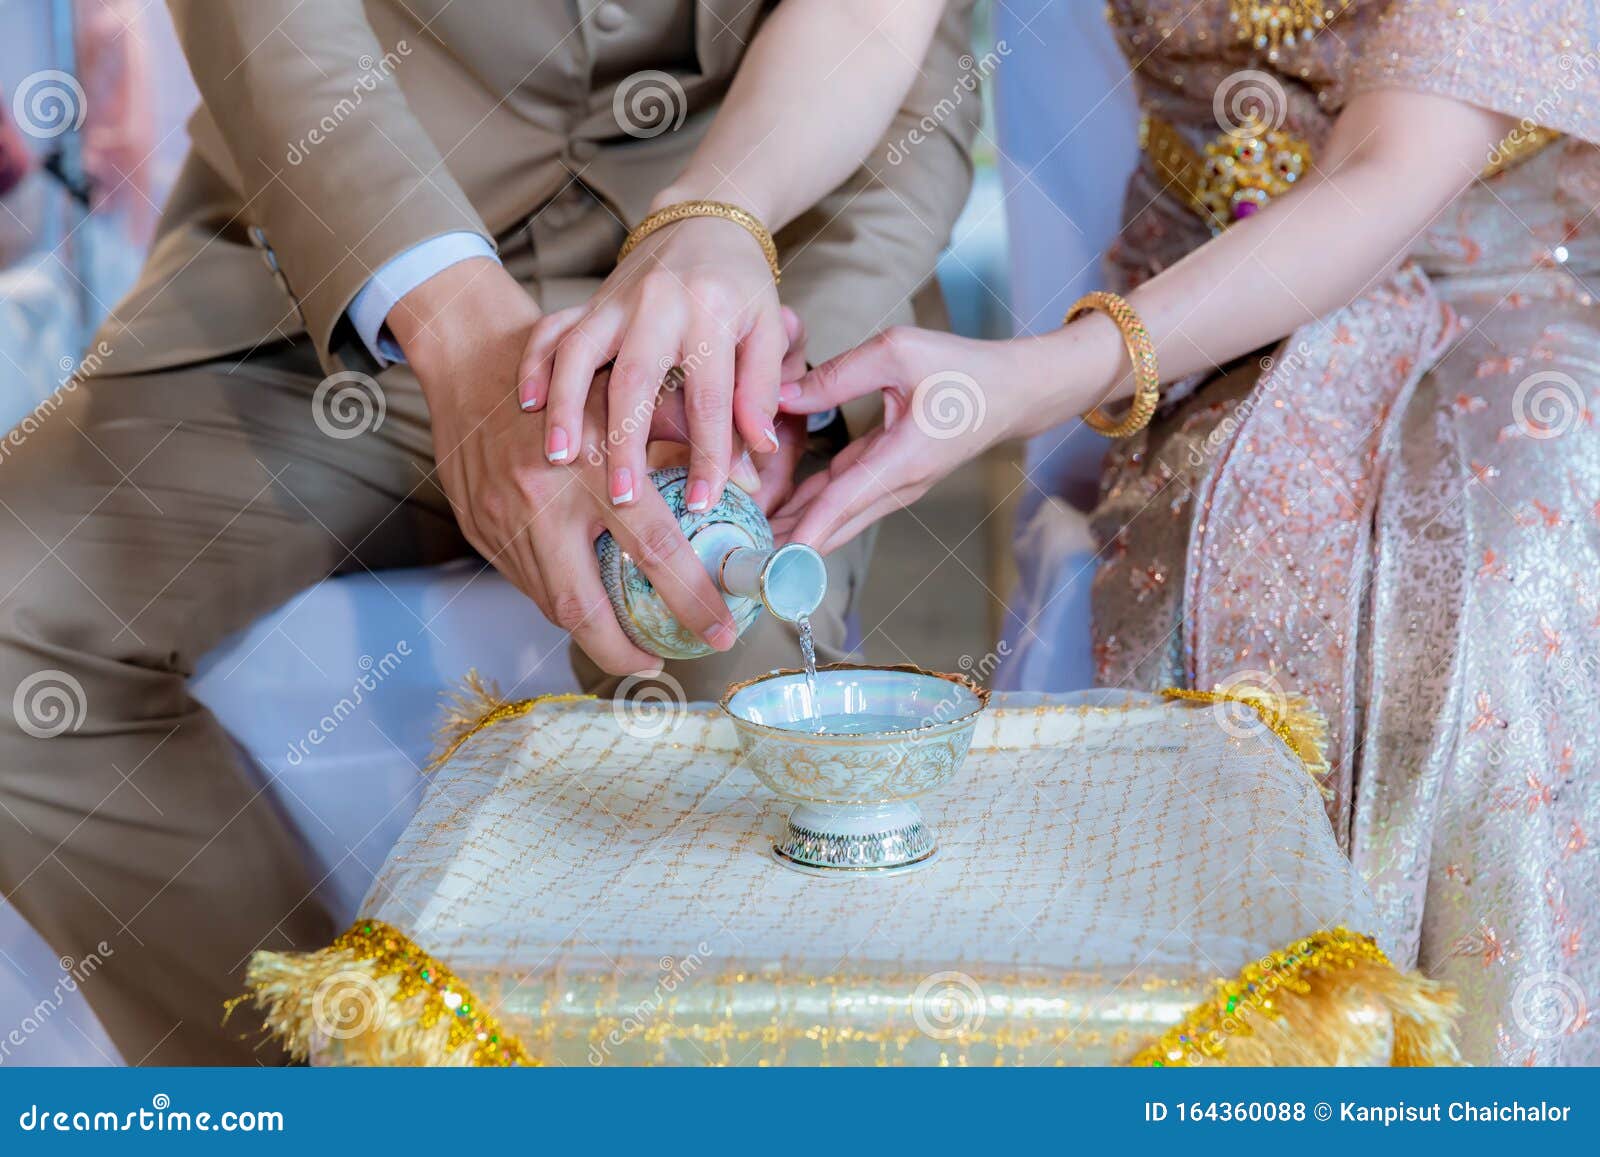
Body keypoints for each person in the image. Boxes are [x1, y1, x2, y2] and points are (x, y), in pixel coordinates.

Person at [0, 0, 978, 1063]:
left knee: (740, 718)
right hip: (321, 296)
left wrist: (767, 381)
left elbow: (907, 54)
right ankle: (309, 1097)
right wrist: (451, 324)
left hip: (742, 311)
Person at [774, 0, 1600, 1064]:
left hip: (1491, 294)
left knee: (1492, 595)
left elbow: (1385, 167)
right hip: (1193, 300)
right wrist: (710, 223)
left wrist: (1037, 378)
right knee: (1202, 545)